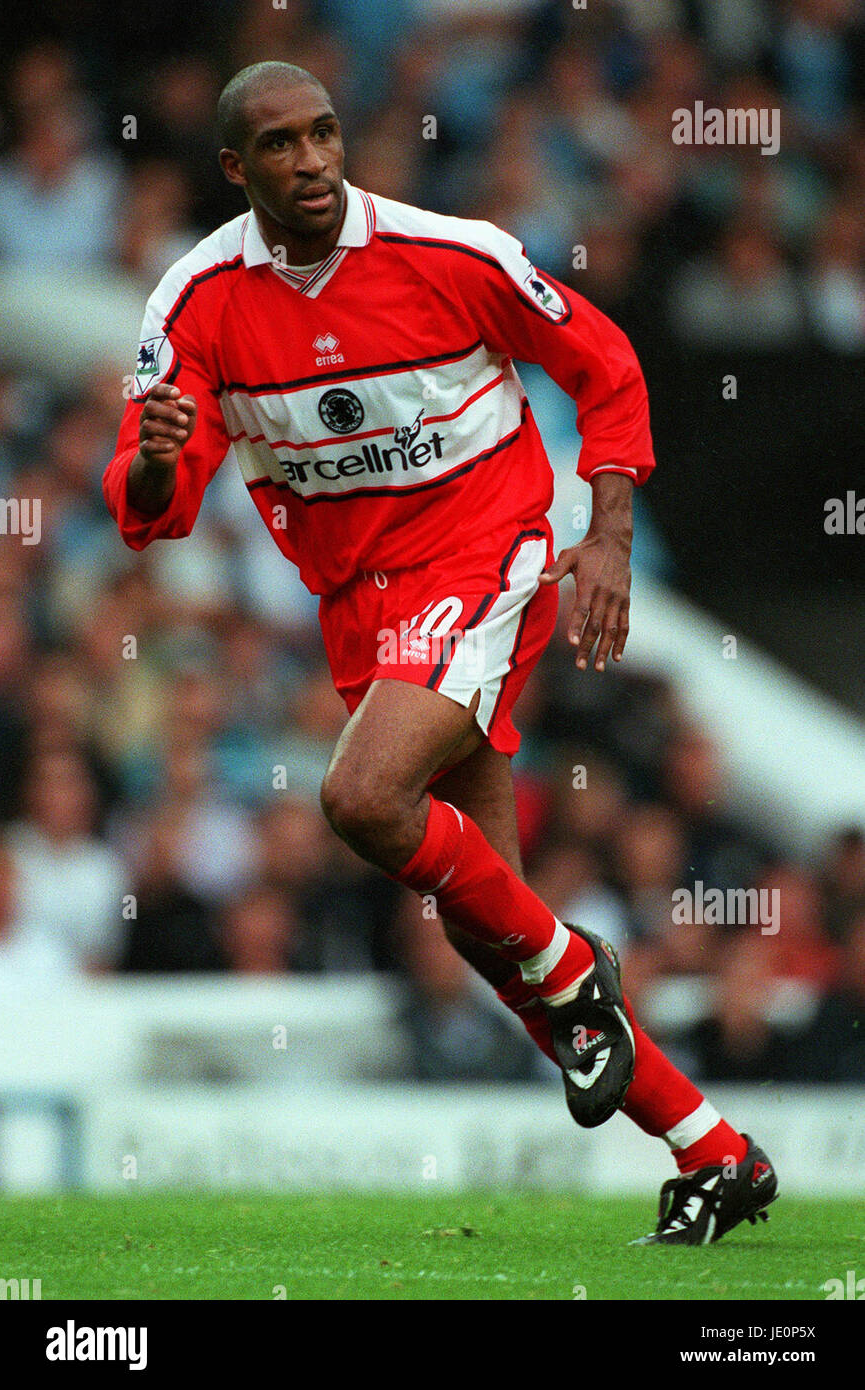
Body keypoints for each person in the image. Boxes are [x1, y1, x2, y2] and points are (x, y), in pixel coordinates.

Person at [103, 61, 777, 1244]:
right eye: (279, 145)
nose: (311, 160)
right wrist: (156, 459)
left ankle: (578, 965)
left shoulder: (448, 251)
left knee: (362, 797)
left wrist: (605, 536)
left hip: (486, 548)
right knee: (484, 921)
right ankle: (715, 1153)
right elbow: (150, 505)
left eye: (324, 134)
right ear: (233, 168)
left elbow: (603, 364)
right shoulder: (195, 303)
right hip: (357, 605)